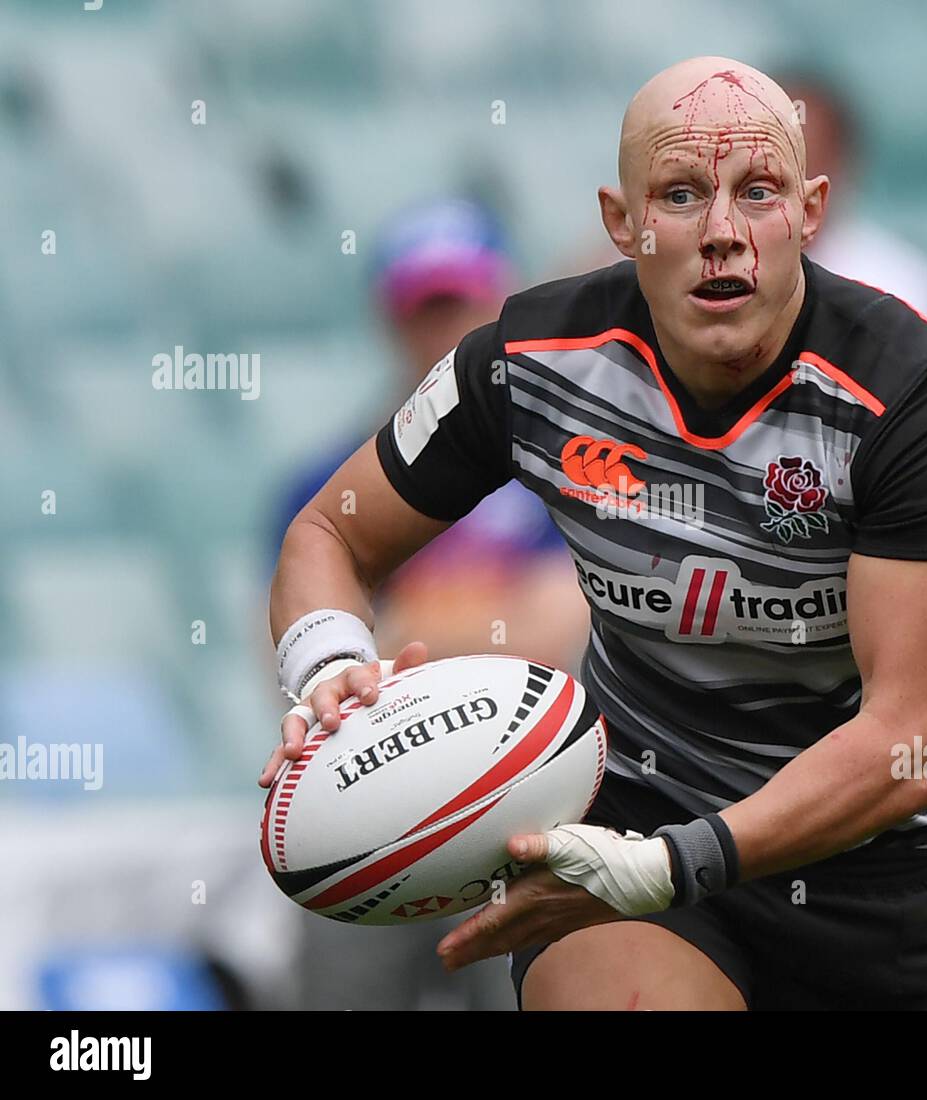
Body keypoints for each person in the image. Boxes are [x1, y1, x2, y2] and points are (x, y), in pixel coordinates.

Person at [263, 57, 927, 1011]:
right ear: (622, 222)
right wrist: (328, 676)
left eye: (760, 192)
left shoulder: (917, 399)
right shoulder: (526, 363)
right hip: (630, 834)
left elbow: (913, 735)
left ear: (812, 210)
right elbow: (330, 531)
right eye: (683, 195)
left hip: (870, 882)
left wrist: (679, 862)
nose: (724, 235)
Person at [271, 198, 587, 1010]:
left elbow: (559, 630)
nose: (444, 331)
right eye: (426, 308)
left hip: (525, 811)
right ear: (389, 320)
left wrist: (403, 630)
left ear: (502, 303)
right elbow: (289, 654)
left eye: (465, 303)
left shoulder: (566, 465)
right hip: (364, 811)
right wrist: (489, 621)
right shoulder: (325, 485)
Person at [779, 70, 927, 327]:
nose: (791, 183)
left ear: (844, 164)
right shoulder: (711, 278)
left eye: (807, 162)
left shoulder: (908, 287)